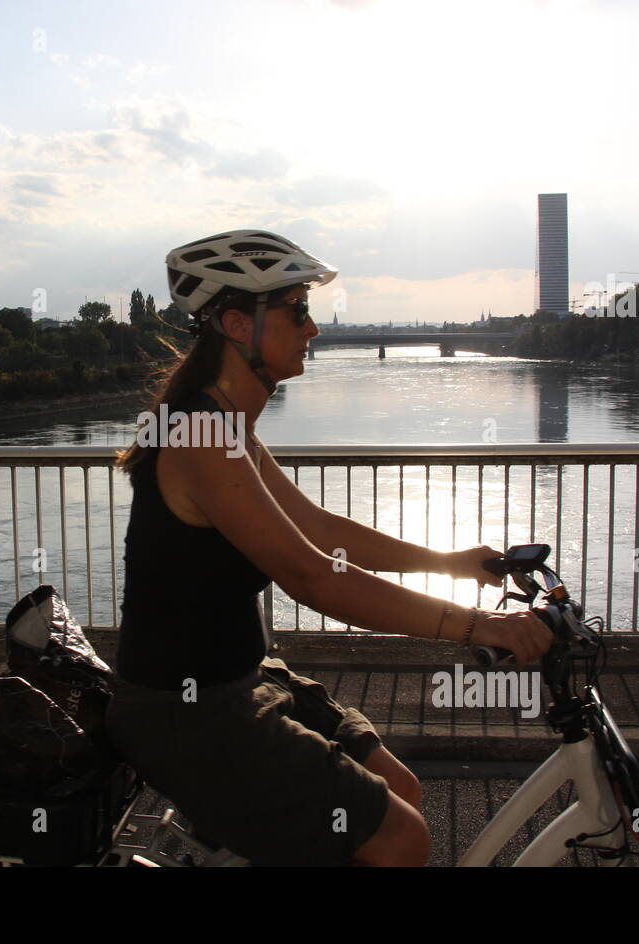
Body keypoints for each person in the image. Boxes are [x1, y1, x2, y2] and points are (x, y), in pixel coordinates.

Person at [107, 229, 553, 866]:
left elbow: (320, 532)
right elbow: (316, 578)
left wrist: (450, 563)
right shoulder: (202, 436)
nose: (312, 328)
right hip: (187, 714)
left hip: (238, 683)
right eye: (296, 310)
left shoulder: (225, 427)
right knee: (402, 842)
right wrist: (483, 626)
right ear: (237, 323)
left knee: (400, 790)